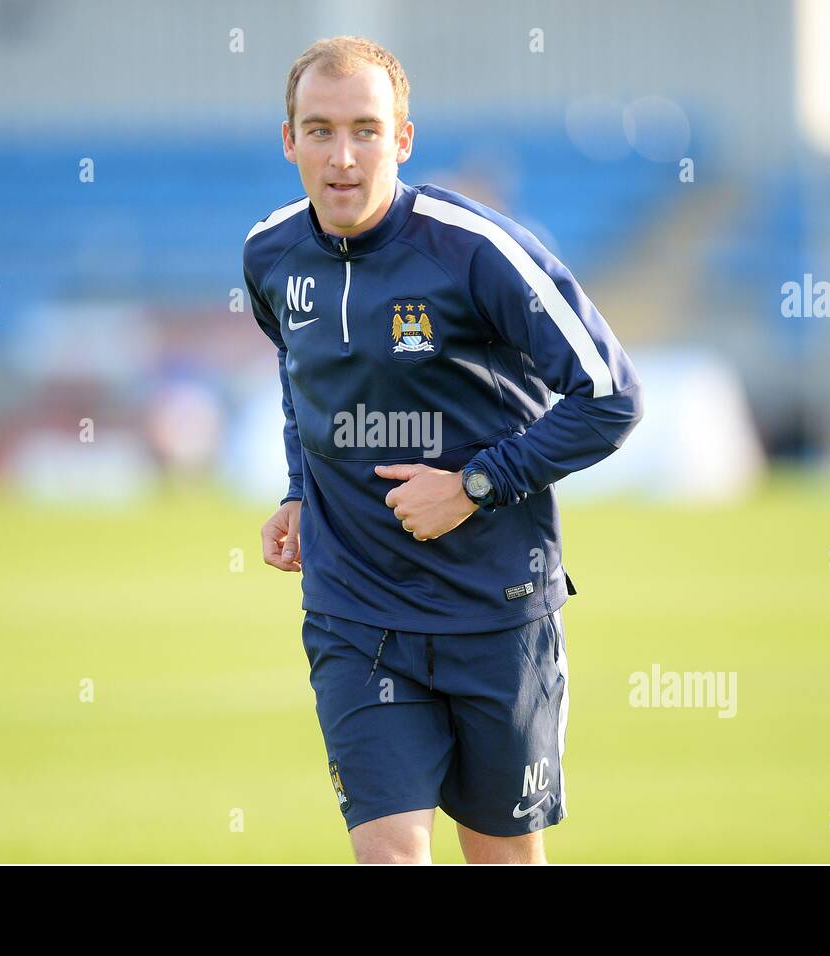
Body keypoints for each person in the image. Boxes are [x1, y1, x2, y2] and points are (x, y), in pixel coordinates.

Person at [242, 36, 643, 864]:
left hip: (495, 612)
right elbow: (301, 374)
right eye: (318, 131)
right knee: (389, 855)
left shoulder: (476, 251)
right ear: (288, 141)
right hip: (356, 616)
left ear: (403, 140)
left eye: (365, 129)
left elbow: (611, 397)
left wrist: (475, 484)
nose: (342, 157)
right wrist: (295, 487)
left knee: (501, 858)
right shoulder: (271, 256)